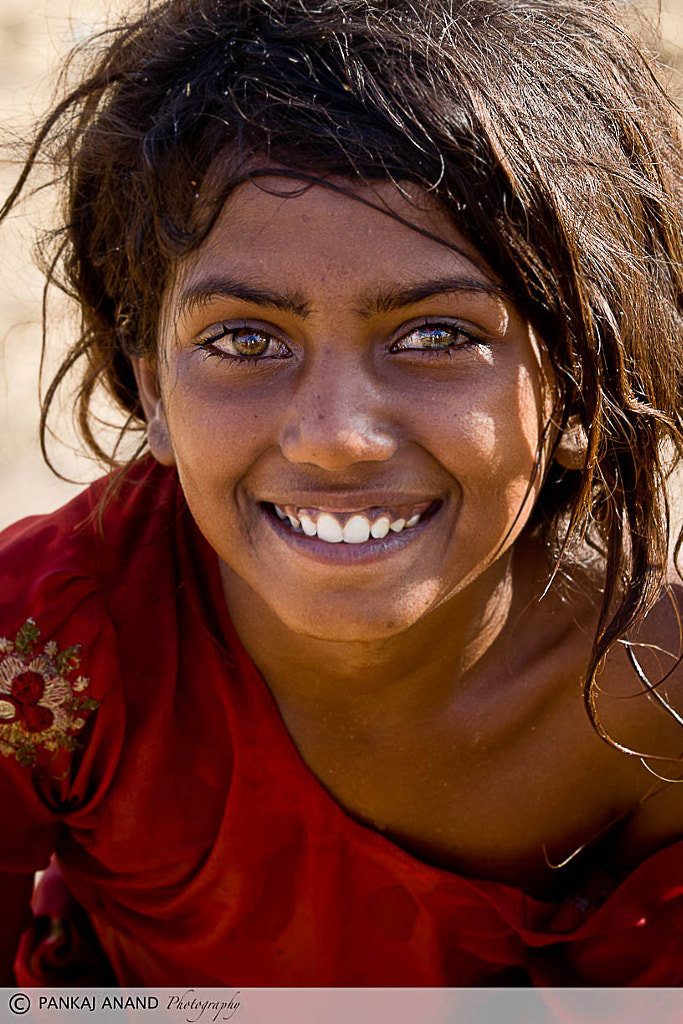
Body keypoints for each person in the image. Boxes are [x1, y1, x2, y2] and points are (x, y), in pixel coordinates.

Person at [0, 0, 682, 989]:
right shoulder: (47, 645)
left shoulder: (651, 697)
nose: (333, 436)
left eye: (437, 335)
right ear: (152, 388)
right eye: (244, 339)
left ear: (581, 387)